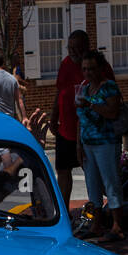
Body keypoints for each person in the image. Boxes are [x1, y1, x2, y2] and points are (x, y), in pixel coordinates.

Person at [74, 49, 125, 242]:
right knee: (92, 184)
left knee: (111, 182)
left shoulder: (109, 87)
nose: (88, 72)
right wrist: (78, 145)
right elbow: (80, 121)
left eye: (91, 68)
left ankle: (117, 226)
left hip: (106, 142)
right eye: (84, 69)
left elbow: (113, 112)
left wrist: (91, 105)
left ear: (100, 68)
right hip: (88, 144)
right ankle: (96, 224)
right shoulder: (84, 88)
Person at [51, 30, 89, 204]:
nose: (72, 51)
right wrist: (54, 118)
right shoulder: (65, 63)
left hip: (88, 130)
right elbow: (59, 91)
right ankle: (64, 212)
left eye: (77, 48)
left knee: (92, 172)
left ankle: (103, 212)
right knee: (63, 170)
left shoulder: (95, 65)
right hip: (66, 129)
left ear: (86, 47)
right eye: (70, 47)